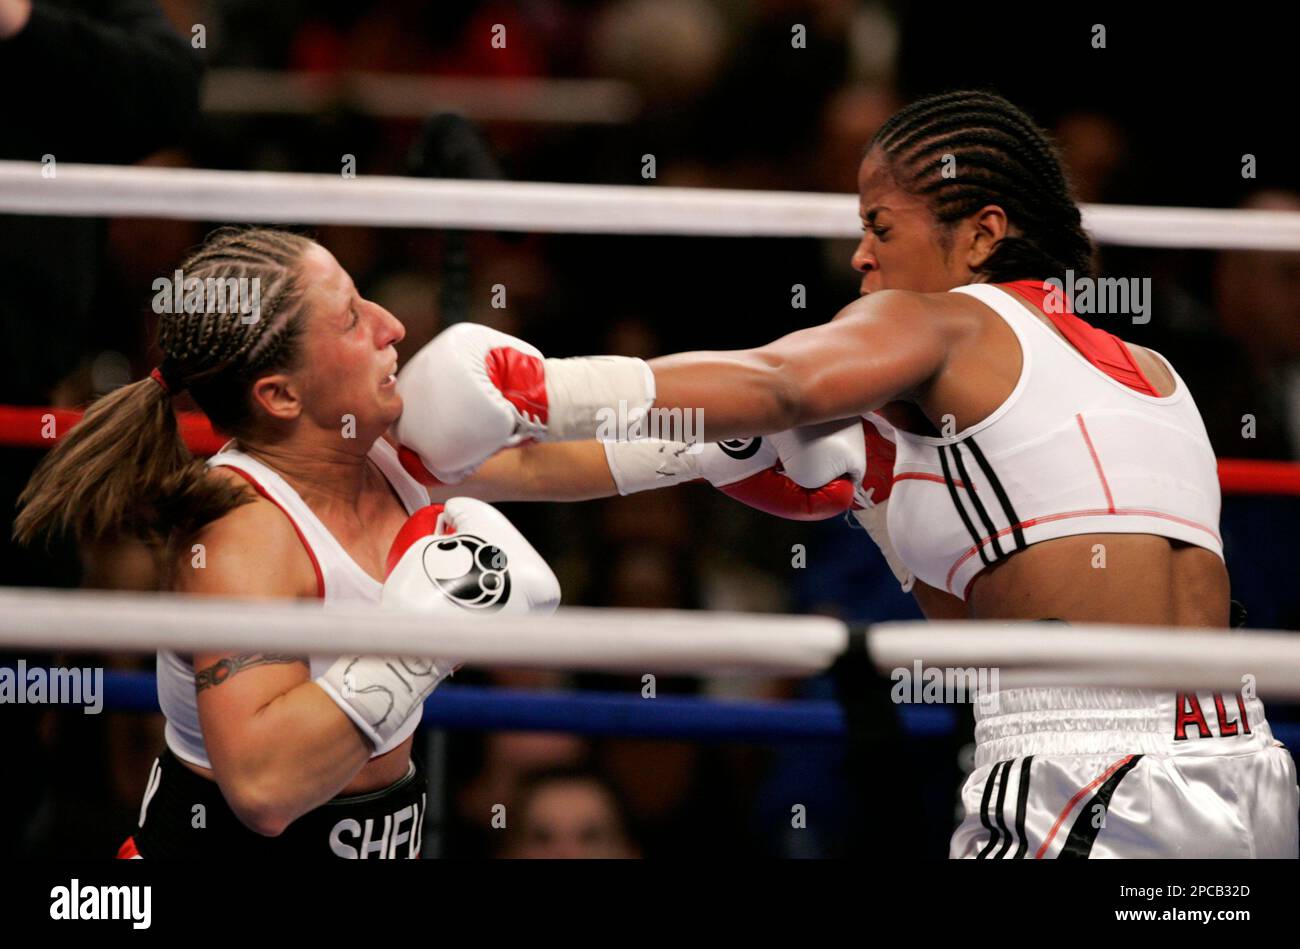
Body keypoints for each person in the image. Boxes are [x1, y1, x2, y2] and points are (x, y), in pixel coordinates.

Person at [394, 90, 1299, 858]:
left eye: (880, 224)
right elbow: (668, 444)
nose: (861, 253)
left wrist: (534, 385)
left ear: (982, 234)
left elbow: (778, 384)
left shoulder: (943, 321)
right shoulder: (1154, 376)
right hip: (1245, 771)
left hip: (1084, 769)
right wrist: (439, 465)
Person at [14, 227, 561, 858]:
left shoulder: (390, 453)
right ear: (280, 394)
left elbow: (576, 457)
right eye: (353, 318)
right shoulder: (242, 535)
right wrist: (417, 649)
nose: (392, 327)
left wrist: (688, 442)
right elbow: (264, 790)